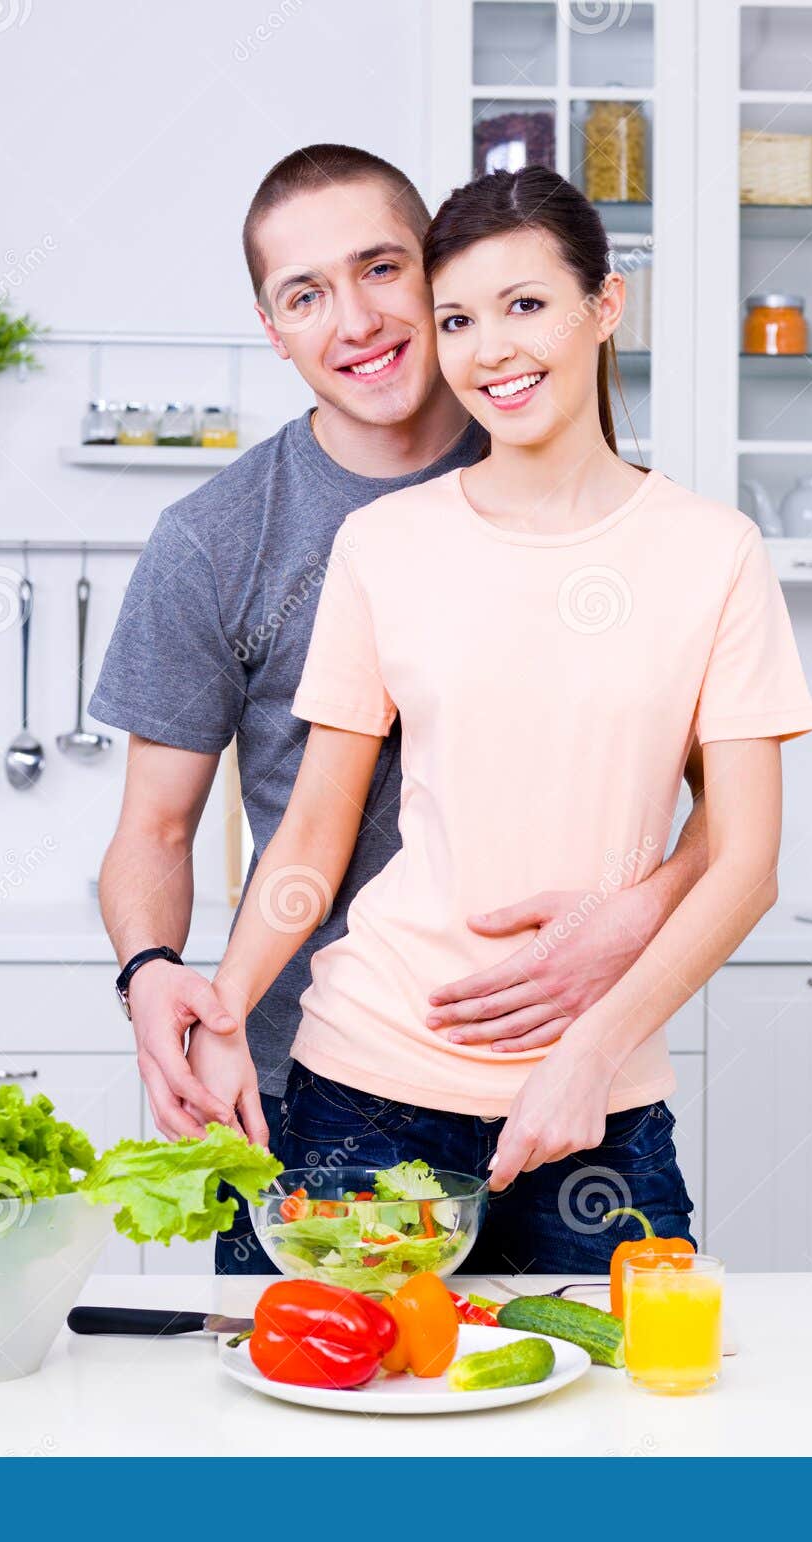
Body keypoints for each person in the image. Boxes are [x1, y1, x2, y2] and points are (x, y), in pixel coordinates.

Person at [91, 146, 712, 1274]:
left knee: (601, 1431)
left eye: (381, 269)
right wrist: (154, 975)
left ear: (436, 277)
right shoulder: (216, 541)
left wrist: (637, 914)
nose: (357, 319)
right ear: (271, 328)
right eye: (304, 294)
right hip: (317, 1085)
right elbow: (156, 828)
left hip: (570, 1067)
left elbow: (729, 816)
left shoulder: (588, 489)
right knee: (327, 1428)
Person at [197, 165, 812, 1274]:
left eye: (525, 305)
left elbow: (748, 859)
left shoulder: (710, 552)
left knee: (634, 1424)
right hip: (365, 1094)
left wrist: (592, 1048)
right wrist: (229, 1004)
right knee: (351, 1434)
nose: (491, 349)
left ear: (604, 306)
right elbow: (313, 829)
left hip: (600, 1109)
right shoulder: (385, 545)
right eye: (457, 320)